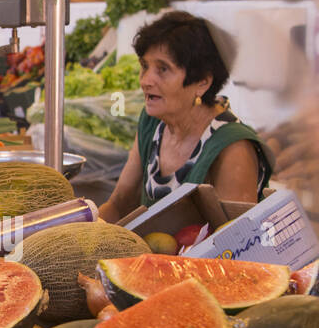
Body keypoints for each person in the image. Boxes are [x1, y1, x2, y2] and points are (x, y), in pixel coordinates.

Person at [98, 11, 274, 224]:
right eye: (145, 66)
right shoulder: (153, 122)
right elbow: (119, 204)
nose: (146, 80)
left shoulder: (232, 147)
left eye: (163, 69)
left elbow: (235, 242)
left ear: (202, 82)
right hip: (150, 255)